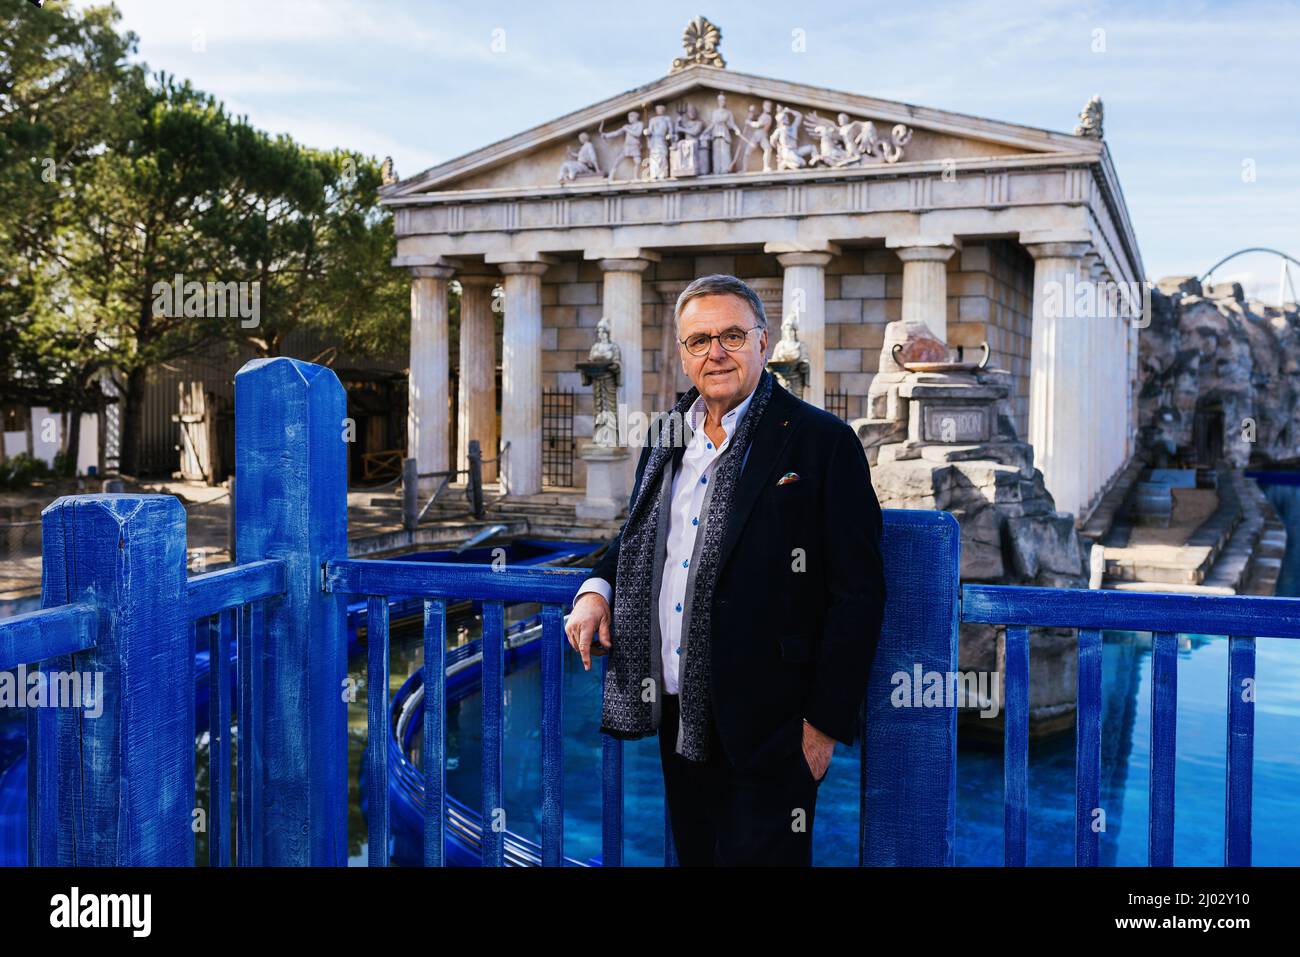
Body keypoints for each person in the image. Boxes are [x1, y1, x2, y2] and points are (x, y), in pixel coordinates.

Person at [564, 273, 886, 866]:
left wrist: (823, 727)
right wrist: (596, 590)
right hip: (679, 713)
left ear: (762, 342)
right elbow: (638, 536)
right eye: (699, 340)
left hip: (775, 724)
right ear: (683, 353)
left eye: (731, 336)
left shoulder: (823, 442)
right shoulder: (665, 434)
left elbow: (859, 593)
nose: (715, 352)